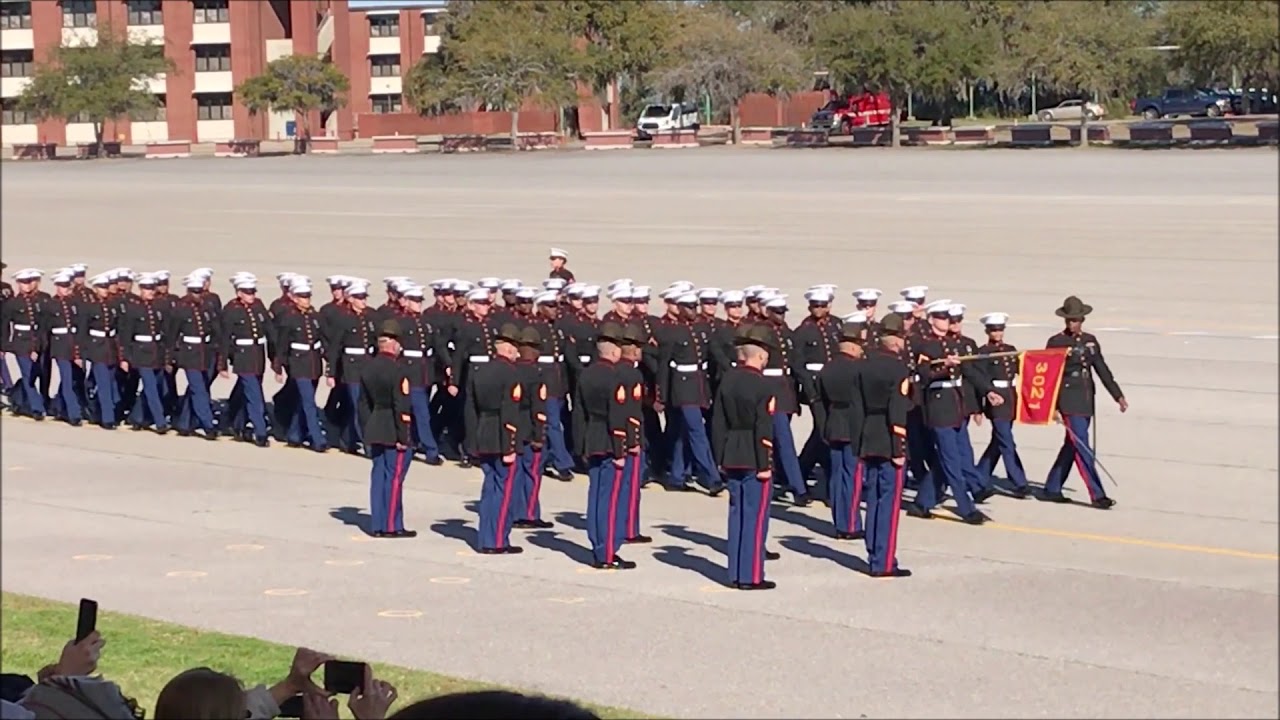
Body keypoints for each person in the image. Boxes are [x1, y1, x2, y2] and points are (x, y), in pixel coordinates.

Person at [905, 300, 1001, 524]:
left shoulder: (953, 344)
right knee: (951, 461)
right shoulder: (924, 345)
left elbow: (970, 371)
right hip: (939, 408)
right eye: (941, 317)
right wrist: (944, 368)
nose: (945, 321)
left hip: (957, 406)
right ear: (931, 320)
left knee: (946, 459)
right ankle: (966, 508)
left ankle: (923, 502)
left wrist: (988, 391)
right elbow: (924, 376)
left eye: (947, 317)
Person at [1042, 295, 1127, 509]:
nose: (1073, 323)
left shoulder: (1091, 341)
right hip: (1068, 400)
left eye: (1076, 319)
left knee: (1073, 445)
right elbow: (1049, 377)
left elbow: (1101, 369)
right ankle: (1097, 494)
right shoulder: (1056, 342)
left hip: (1087, 399)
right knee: (1083, 447)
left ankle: (1052, 487)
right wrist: (1052, 407)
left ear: (1082, 319)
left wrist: (1117, 395)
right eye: (1069, 320)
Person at [711, 325, 777, 590]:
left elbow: (718, 423)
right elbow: (764, 428)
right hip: (752, 454)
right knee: (755, 517)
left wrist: (719, 457)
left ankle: (735, 572)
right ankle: (751, 575)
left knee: (737, 516)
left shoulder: (728, 380)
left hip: (731, 453)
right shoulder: (762, 385)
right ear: (760, 356)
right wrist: (765, 463)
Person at [576, 322, 638, 570]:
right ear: (614, 352)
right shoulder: (615, 377)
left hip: (592, 438)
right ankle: (608, 552)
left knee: (596, 497)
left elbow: (578, 413)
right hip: (609, 440)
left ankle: (597, 546)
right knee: (611, 499)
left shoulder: (586, 374)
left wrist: (580, 445)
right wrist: (621, 448)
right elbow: (617, 415)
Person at [856, 314, 913, 578]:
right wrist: (899, 448)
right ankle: (884, 561)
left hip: (868, 435)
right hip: (889, 439)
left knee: (874, 499)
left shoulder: (864, 365)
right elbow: (897, 410)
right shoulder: (898, 369)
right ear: (896, 339)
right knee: (888, 503)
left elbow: (856, 407)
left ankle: (873, 552)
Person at [656, 291, 721, 494]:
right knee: (697, 431)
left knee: (683, 433)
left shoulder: (702, 329)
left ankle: (676, 476)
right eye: (689, 307)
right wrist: (661, 396)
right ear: (681, 309)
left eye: (695, 307)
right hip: (682, 387)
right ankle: (711, 477)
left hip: (699, 385)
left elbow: (715, 355)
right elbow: (664, 367)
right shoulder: (672, 332)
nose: (693, 311)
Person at [468, 323, 525, 554]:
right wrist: (510, 445)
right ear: (509, 349)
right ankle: (498, 539)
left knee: (490, 489)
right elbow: (510, 413)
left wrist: (473, 441)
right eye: (516, 348)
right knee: (504, 493)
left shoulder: (480, 371)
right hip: (502, 437)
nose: (518, 353)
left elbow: (470, 410)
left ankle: (485, 537)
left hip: (484, 433)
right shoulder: (511, 374)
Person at [361, 320, 415, 538]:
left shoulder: (368, 367)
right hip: (392, 428)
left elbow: (363, 404)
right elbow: (401, 406)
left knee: (378, 476)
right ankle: (392, 524)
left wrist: (367, 428)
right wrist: (404, 435)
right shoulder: (398, 370)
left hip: (375, 425)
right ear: (393, 344)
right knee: (394, 479)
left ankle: (377, 524)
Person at [818, 321, 866, 540]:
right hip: (853, 425)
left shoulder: (827, 367)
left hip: (833, 423)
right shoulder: (858, 369)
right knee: (854, 477)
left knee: (837, 476)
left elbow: (819, 400)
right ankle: (851, 524)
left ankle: (839, 522)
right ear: (854, 345)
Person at [973, 312, 1029, 498]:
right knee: (1007, 441)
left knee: (998, 441)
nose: (997, 333)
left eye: (1000, 329)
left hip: (1011, 397)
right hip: (995, 399)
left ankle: (979, 475)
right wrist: (979, 408)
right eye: (993, 330)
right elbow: (979, 380)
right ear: (987, 331)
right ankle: (1019, 481)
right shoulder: (983, 352)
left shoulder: (1010, 349)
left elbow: (1023, 370)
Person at [394, 284, 447, 466]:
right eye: (415, 301)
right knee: (421, 414)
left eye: (419, 301)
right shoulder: (400, 323)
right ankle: (431, 450)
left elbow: (437, 345)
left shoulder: (426, 322)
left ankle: (414, 442)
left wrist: (447, 365)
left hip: (425, 373)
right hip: (409, 373)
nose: (418, 304)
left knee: (419, 413)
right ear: (406, 302)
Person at [273, 277, 329, 452]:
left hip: (314, 363)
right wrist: (278, 366)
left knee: (302, 401)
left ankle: (294, 434)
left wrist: (330, 364)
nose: (306, 300)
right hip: (299, 364)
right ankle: (317, 438)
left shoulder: (315, 316)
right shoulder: (289, 318)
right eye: (302, 296)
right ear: (295, 298)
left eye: (308, 296)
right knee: (309, 402)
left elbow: (324, 340)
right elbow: (281, 345)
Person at [219, 273, 273, 447]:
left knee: (244, 393)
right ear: (239, 293)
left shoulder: (258, 306)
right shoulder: (231, 310)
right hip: (243, 357)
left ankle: (236, 424)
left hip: (258, 354)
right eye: (248, 292)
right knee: (255, 395)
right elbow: (225, 338)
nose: (252, 295)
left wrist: (276, 355)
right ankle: (261, 432)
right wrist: (223, 364)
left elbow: (268, 328)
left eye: (253, 291)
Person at [167, 274, 219, 439]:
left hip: (206, 352)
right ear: (189, 291)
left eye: (200, 291)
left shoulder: (207, 308)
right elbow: (172, 336)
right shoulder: (180, 310)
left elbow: (215, 330)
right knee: (199, 390)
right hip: (189, 354)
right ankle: (208, 424)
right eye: (195, 292)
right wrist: (169, 358)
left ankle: (184, 422)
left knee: (197, 389)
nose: (198, 295)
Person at [511, 327, 554, 530]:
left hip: (512, 429)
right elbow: (539, 408)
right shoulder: (536, 374)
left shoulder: (510, 370)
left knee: (515, 473)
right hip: (529, 430)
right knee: (533, 473)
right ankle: (528, 514)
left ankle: (514, 510)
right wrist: (540, 434)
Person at [329, 280, 378, 455]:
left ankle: (347, 439)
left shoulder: (370, 317)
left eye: (364, 297)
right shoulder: (344, 319)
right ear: (350, 298)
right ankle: (369, 444)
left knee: (363, 406)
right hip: (352, 367)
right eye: (359, 297)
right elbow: (335, 348)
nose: (363, 300)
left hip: (368, 365)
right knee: (359, 406)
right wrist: (331, 373)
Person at [117, 273, 170, 434]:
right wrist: (125, 357)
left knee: (157, 387)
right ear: (141, 289)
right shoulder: (134, 309)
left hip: (157, 352)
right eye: (147, 288)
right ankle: (160, 422)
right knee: (151, 387)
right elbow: (126, 337)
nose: (150, 291)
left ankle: (137, 417)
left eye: (152, 288)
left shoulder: (160, 307)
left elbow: (165, 331)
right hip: (141, 352)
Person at [616, 324, 652, 544]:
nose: (640, 350)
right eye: (638, 346)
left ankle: (620, 524)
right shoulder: (632, 373)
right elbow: (632, 411)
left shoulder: (613, 370)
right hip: (630, 436)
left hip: (615, 435)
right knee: (630, 486)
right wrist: (635, 439)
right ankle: (629, 528)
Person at [75, 273, 123, 430]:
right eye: (101, 287)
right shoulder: (89, 308)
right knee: (104, 384)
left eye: (106, 287)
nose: (105, 290)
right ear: (95, 289)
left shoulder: (112, 306)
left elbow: (117, 329)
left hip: (110, 348)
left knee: (111, 383)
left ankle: (96, 410)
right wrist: (80, 353)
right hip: (97, 349)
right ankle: (108, 418)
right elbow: (82, 332)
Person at [40, 271, 85, 426]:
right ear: (57, 286)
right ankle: (74, 413)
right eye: (63, 286)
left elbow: (79, 324)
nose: (66, 288)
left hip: (74, 343)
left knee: (74, 378)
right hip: (60, 346)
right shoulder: (50, 304)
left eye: (68, 285)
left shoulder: (75, 303)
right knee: (66, 379)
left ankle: (59, 407)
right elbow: (45, 328)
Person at [3, 268, 46, 419]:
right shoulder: (13, 303)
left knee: (40, 373)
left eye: (28, 282)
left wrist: (40, 343)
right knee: (29, 375)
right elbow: (5, 325)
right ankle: (37, 407)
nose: (26, 285)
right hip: (21, 342)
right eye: (23, 282)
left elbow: (43, 324)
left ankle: (31, 401)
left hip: (37, 340)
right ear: (18, 284)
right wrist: (4, 345)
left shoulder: (39, 301)